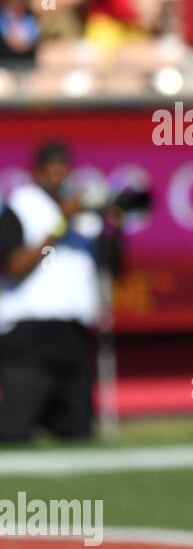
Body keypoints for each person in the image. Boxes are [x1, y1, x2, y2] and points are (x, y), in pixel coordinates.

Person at [0, 142, 112, 441]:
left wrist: (115, 220)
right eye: (51, 172)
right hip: (28, 335)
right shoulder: (21, 207)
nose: (57, 179)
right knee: (14, 431)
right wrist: (59, 227)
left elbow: (112, 266)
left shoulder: (84, 220)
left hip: (71, 334)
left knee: (78, 432)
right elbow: (14, 267)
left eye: (63, 172)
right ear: (36, 173)